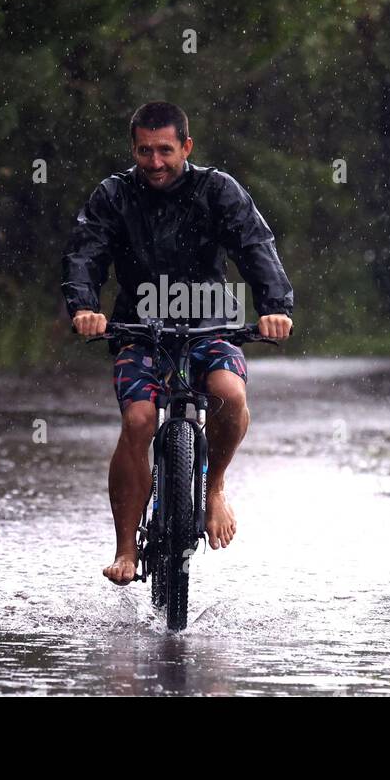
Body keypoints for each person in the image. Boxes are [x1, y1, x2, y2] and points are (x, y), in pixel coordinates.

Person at [61, 101, 295, 585]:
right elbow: (85, 253)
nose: (155, 162)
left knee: (230, 396)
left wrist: (276, 307)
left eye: (165, 150)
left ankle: (214, 488)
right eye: (144, 151)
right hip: (138, 329)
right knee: (139, 419)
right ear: (133, 149)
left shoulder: (218, 190)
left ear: (186, 147)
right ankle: (126, 548)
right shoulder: (114, 194)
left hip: (212, 323)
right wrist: (84, 307)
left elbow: (255, 246)